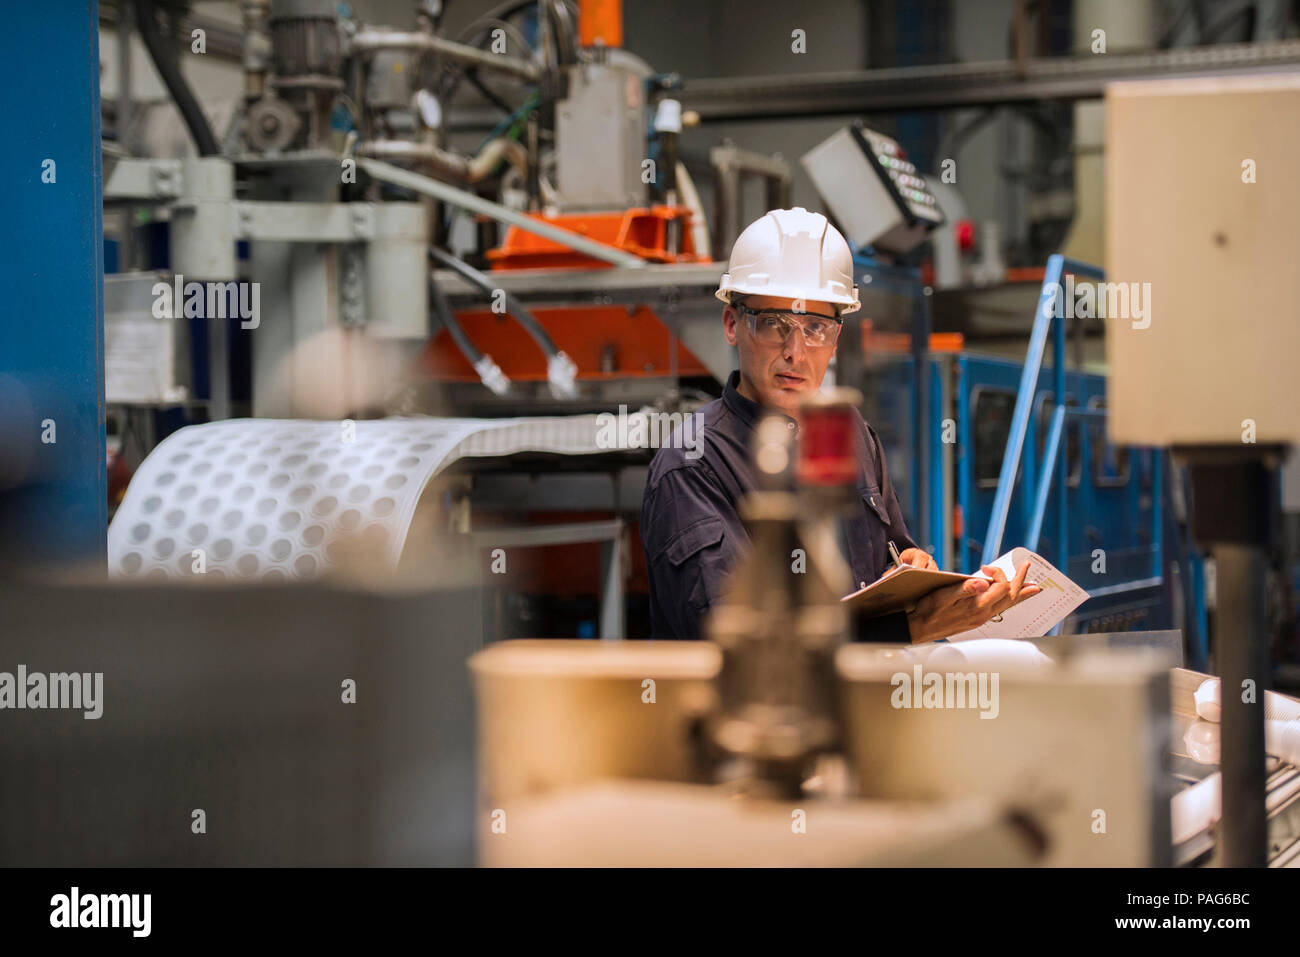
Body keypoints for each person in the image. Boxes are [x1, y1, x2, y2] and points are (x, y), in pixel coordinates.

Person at [640, 207, 1039, 640]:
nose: (796, 352)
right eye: (774, 324)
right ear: (732, 324)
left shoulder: (849, 433)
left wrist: (911, 567)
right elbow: (734, 646)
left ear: (836, 338)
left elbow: (890, 549)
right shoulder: (692, 464)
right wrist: (910, 627)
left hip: (866, 695)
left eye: (815, 328)